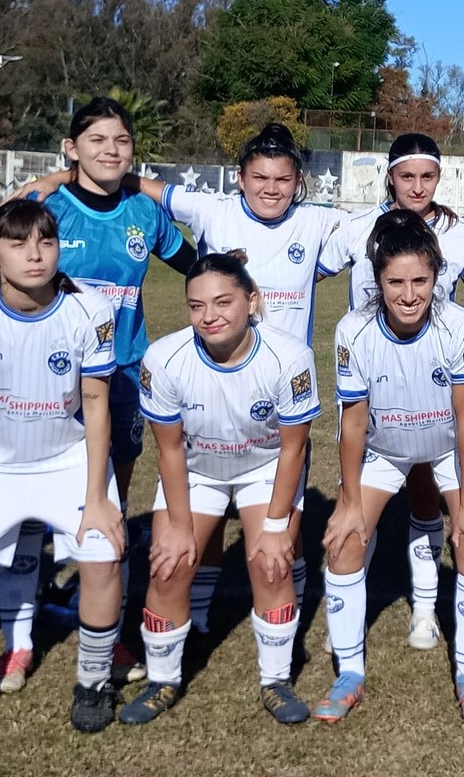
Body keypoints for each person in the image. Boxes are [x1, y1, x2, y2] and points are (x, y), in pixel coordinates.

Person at [0, 96, 192, 689]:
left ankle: (109, 633)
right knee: (24, 521)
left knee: (106, 508)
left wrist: (247, 287)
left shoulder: (144, 214)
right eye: (96, 140)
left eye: (121, 141)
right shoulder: (43, 206)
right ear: (71, 150)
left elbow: (194, 262)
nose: (111, 150)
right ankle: (21, 640)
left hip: (116, 377)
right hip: (40, 382)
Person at [17, 121, 346, 636]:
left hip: (279, 391)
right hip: (209, 382)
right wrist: (61, 178)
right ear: (239, 177)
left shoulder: (319, 222)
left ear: (298, 181)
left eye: (283, 179)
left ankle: (290, 621)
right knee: (205, 511)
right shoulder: (210, 209)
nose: (271, 188)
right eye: (260, 176)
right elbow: (127, 181)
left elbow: (389, 220)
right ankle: (196, 618)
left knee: (287, 523)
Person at [0, 200, 125, 736]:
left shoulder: (91, 309)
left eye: (45, 242)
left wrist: (97, 495)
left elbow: (97, 402)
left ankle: (93, 682)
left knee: (103, 555)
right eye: (18, 244)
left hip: (68, 459)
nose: (34, 255)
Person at [117, 254, 317, 726]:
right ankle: (163, 679)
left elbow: (294, 449)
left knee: (270, 563)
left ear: (252, 302)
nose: (210, 316)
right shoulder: (164, 359)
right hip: (196, 470)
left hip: (265, 467)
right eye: (196, 306)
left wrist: (273, 526)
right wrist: (180, 527)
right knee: (169, 565)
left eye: (223, 302)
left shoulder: (290, 357)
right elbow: (169, 450)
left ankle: (276, 679)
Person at [316, 211, 464, 723]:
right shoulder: (353, 329)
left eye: (420, 280)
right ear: (376, 280)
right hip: (384, 448)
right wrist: (349, 504)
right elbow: (352, 425)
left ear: (437, 277)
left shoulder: (460, 326)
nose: (409, 294)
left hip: (447, 447)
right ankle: (349, 673)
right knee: (345, 541)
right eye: (395, 282)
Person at [342, 133, 464, 653]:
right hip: (380, 384)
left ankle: (425, 611)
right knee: (361, 513)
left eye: (428, 177)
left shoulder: (461, 234)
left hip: (438, 389)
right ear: (390, 176)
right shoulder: (356, 228)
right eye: (408, 176)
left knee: (428, 492)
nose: (418, 186)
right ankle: (353, 619)